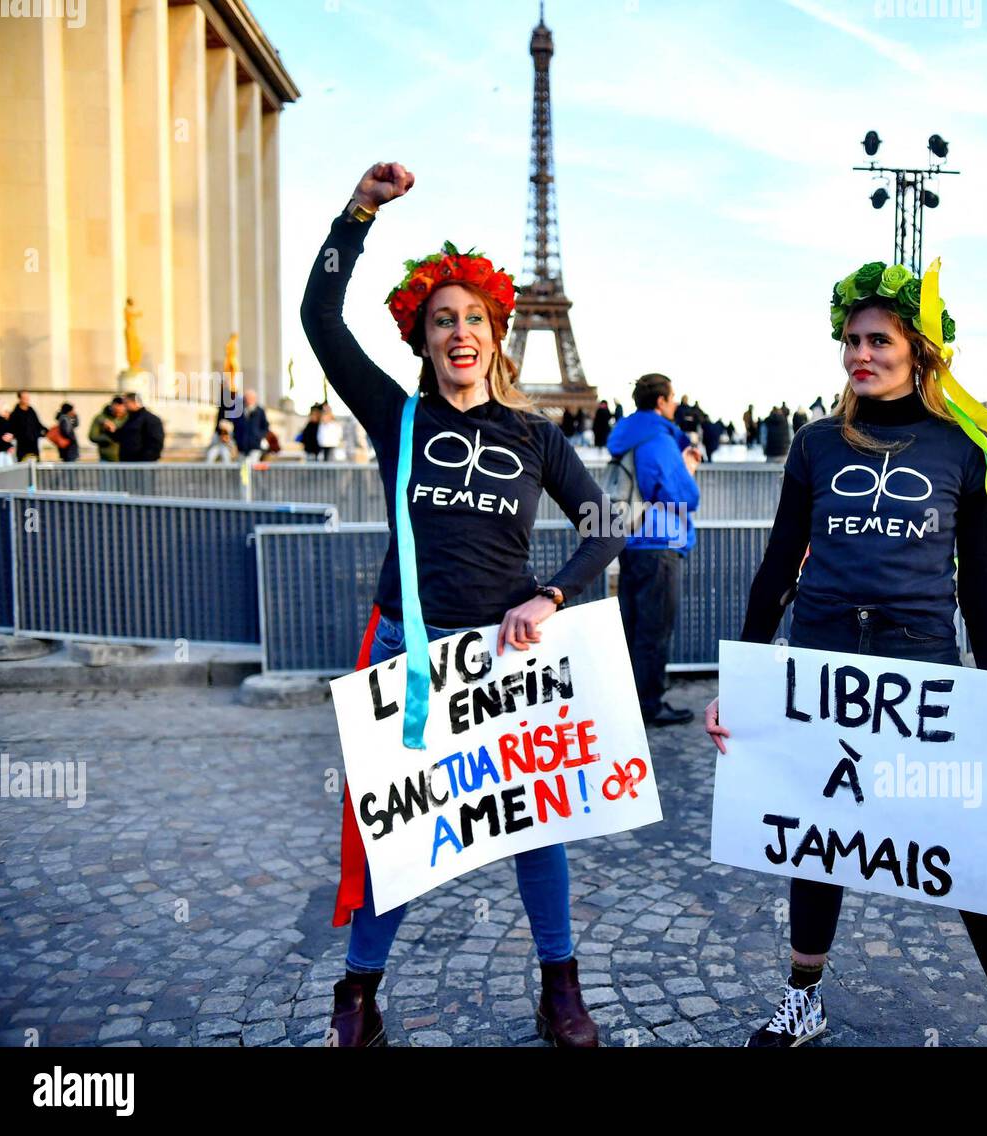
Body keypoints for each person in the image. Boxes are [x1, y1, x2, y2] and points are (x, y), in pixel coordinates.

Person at [301, 160, 624, 1049]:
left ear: (495, 331)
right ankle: (357, 995)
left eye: (471, 318)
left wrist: (553, 593)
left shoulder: (533, 434)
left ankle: (561, 985)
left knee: (535, 833)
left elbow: (608, 523)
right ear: (424, 337)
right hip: (404, 653)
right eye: (442, 320)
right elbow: (319, 321)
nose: (458, 333)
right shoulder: (397, 419)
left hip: (503, 664)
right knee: (394, 836)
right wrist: (358, 212)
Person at [705, 260, 987, 1048]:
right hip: (821, 657)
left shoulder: (964, 448)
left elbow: (985, 591)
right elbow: (776, 566)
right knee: (817, 835)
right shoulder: (816, 443)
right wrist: (745, 680)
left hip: (921, 663)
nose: (861, 354)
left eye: (879, 340)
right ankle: (805, 998)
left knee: (969, 847)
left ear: (919, 352)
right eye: (851, 341)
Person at [608, 372, 700, 728]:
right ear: (661, 401)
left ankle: (630, 700)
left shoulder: (629, 434)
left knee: (633, 625)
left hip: (630, 538)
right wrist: (689, 470)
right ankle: (650, 704)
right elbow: (682, 495)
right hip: (659, 541)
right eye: (672, 396)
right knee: (655, 628)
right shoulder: (658, 440)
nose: (676, 403)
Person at [114, 392, 165, 462]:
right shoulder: (129, 419)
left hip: (142, 465)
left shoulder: (150, 419)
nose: (124, 406)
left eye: (126, 403)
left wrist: (145, 461)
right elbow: (123, 437)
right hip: (128, 463)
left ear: (134, 402)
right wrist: (112, 430)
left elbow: (155, 443)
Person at [9, 391, 44, 462]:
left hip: (33, 442)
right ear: (20, 399)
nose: (27, 400)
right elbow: (12, 428)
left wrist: (45, 431)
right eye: (24, 398)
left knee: (35, 462)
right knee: (23, 462)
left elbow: (37, 423)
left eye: (28, 398)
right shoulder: (15, 413)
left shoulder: (31, 410)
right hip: (22, 444)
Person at [88, 397, 127, 462]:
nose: (118, 414)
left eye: (121, 412)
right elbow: (92, 436)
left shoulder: (129, 418)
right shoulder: (100, 418)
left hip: (125, 459)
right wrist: (109, 437)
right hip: (106, 459)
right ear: (112, 407)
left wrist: (115, 432)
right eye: (116, 411)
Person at [233, 389, 269, 458]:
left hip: (255, 446)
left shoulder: (260, 411)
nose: (249, 400)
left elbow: (265, 427)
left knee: (252, 465)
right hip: (242, 447)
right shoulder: (239, 411)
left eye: (251, 398)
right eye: (247, 398)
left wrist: (258, 436)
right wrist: (237, 439)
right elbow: (235, 426)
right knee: (243, 467)